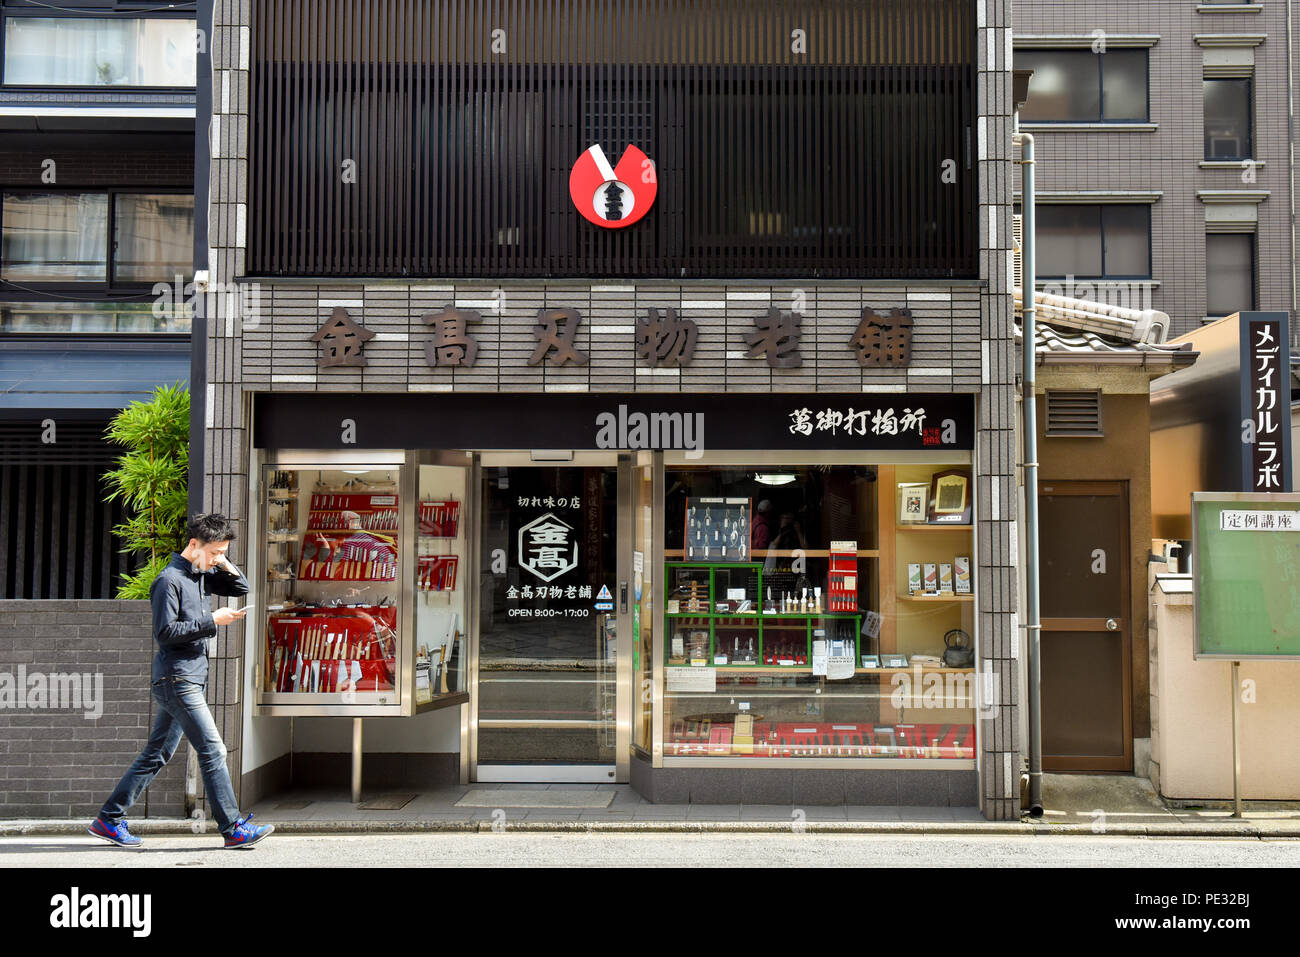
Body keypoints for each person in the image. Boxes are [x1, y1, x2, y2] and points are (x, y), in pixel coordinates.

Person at [89, 513, 274, 849]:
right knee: (213, 749)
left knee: (157, 753)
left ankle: (108, 819)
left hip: (189, 677)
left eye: (222, 553)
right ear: (193, 544)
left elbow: (240, 586)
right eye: (215, 552)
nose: (218, 559)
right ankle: (232, 829)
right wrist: (211, 620)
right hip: (177, 679)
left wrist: (222, 559)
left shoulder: (200, 576)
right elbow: (165, 632)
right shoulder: (169, 580)